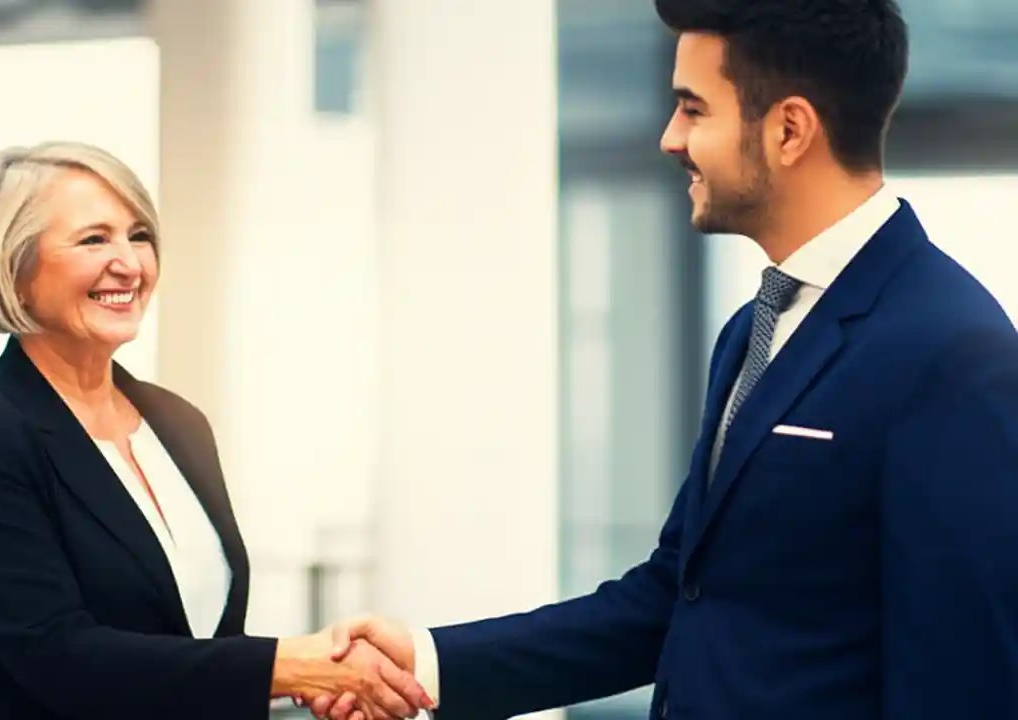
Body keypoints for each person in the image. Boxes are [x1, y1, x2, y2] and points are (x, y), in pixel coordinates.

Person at [313, 0, 1018, 718]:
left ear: (789, 130)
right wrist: (425, 662)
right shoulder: (755, 329)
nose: (669, 138)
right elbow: (675, 597)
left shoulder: (953, 351)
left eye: (692, 109)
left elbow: (964, 680)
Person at [0, 141, 432, 719]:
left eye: (138, 235)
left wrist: (306, 679)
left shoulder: (177, 423)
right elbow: (56, 658)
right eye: (94, 238)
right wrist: (289, 666)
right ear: (15, 264)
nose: (130, 263)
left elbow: (196, 641)